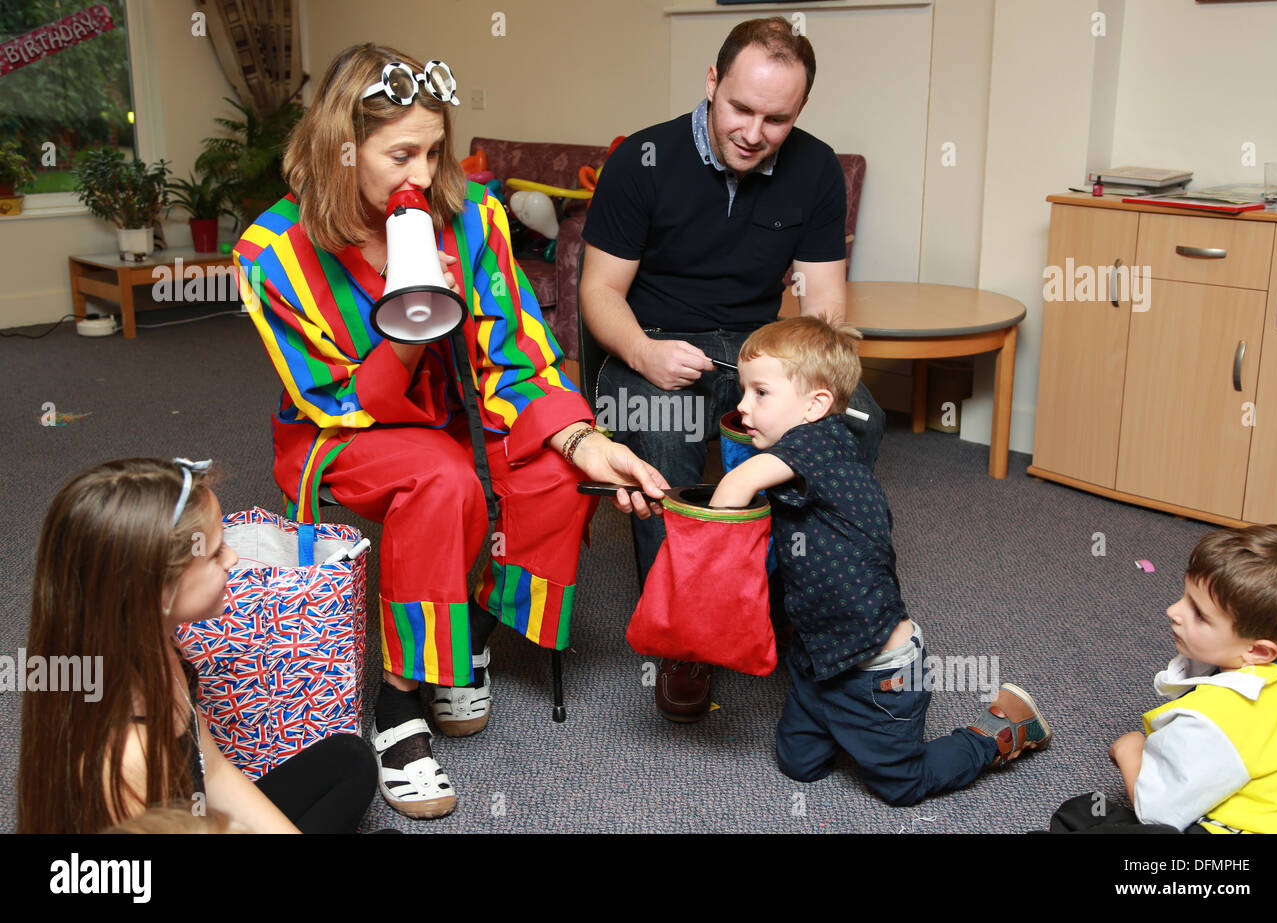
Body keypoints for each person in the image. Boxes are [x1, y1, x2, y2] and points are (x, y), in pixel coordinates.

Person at [234, 44, 667, 819]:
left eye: (435, 150)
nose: (425, 175)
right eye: (401, 153)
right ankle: (399, 702)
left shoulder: (470, 216)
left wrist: (583, 439)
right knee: (444, 478)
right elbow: (338, 399)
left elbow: (518, 354)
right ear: (342, 148)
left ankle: (466, 623)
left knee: (551, 467)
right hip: (339, 430)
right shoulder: (272, 253)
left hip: (444, 412)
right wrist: (409, 317)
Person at [581, 17, 884, 720]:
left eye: (776, 118)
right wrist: (643, 353)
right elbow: (598, 293)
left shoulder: (814, 169)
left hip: (758, 348)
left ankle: (793, 587)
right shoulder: (642, 159)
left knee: (861, 419)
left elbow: (824, 302)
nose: (754, 131)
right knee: (660, 437)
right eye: (741, 108)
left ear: (799, 112)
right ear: (712, 83)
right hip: (651, 341)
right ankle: (684, 636)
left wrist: (808, 379)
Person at [709, 317, 1049, 806]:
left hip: (879, 672)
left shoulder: (816, 442)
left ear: (816, 405)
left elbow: (738, 486)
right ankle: (833, 720)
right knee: (798, 766)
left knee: (901, 785)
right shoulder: (812, 444)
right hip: (817, 658)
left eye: (760, 392)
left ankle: (1000, 732)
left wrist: (699, 537)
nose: (742, 406)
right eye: (743, 391)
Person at [18, 458, 378, 834]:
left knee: (349, 759)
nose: (233, 558)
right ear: (159, 587)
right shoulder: (129, 761)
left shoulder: (160, 646)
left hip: (195, 816)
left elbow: (215, 771)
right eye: (216, 552)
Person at [1049, 524, 1277, 834]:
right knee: (1082, 813)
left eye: (1200, 614)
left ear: (1259, 650)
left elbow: (1157, 812)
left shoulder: (1216, 721)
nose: (1173, 611)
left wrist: (1131, 749)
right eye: (1185, 596)